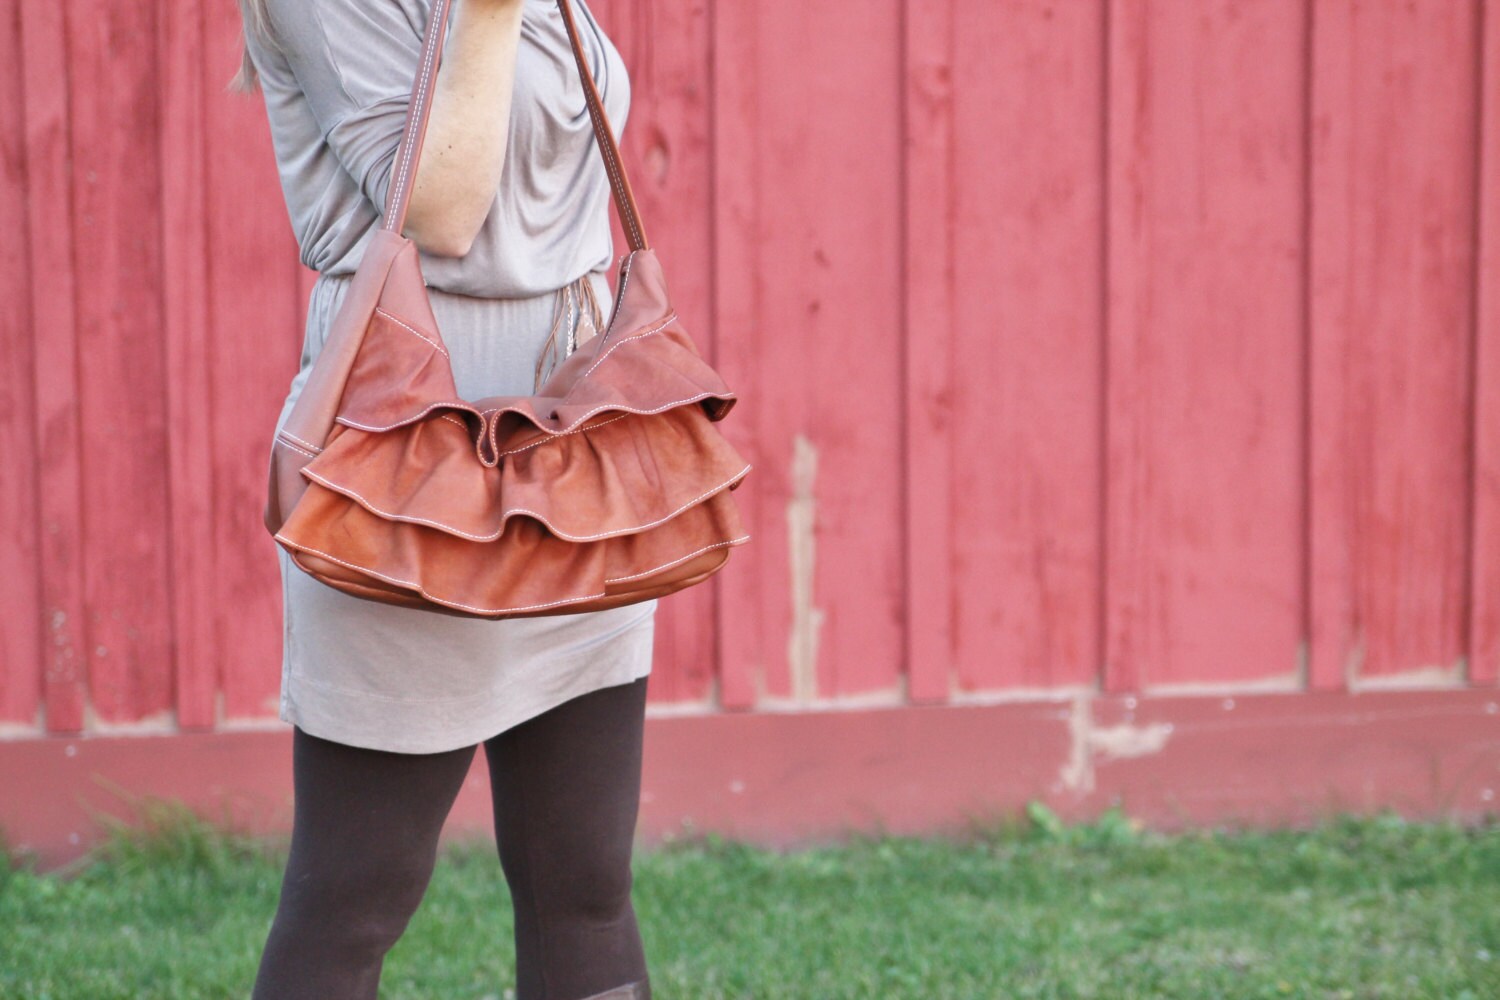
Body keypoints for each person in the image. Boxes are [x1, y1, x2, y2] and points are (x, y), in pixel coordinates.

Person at [234, 1, 654, 997]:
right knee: (357, 891)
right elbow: (443, 213)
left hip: (572, 445)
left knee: (587, 882)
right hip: (409, 455)